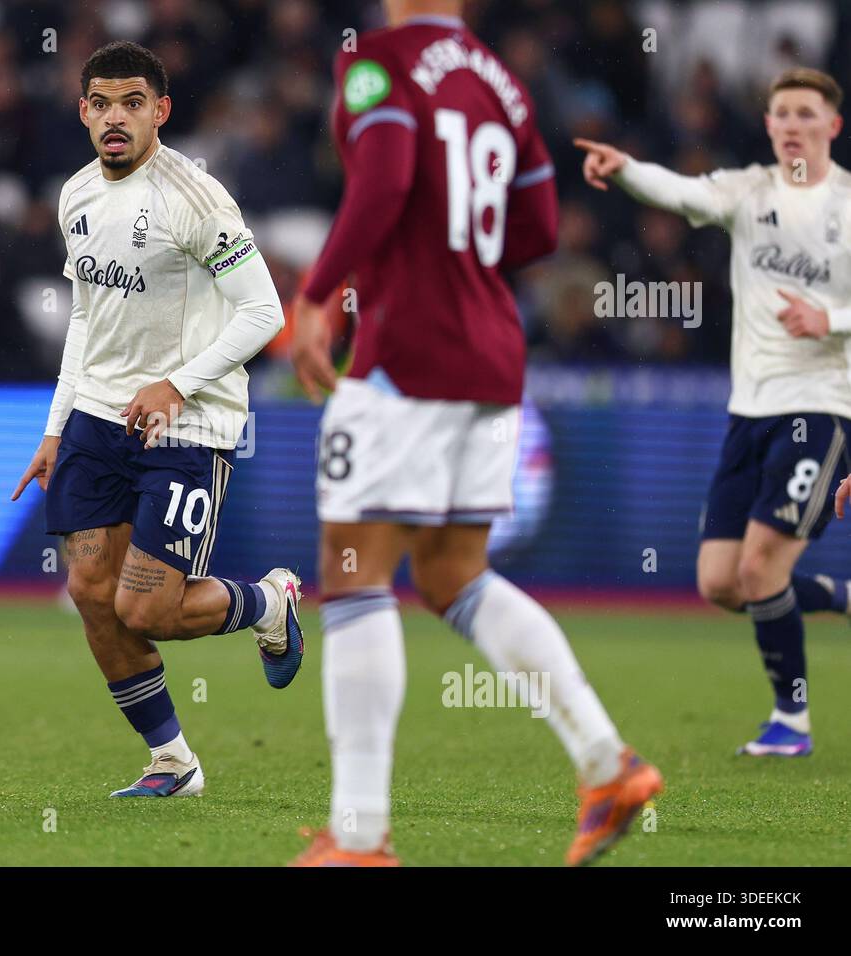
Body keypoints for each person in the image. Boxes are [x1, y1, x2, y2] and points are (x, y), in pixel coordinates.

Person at [289, 0, 662, 866]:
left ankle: (358, 839)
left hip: (406, 352)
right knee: (455, 573)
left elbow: (381, 184)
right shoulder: (505, 84)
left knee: (353, 574)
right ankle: (606, 764)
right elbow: (533, 228)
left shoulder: (377, 64)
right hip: (491, 351)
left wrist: (317, 293)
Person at [12, 41, 303, 799]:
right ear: (83, 112)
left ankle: (270, 602)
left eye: (132, 103)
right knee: (89, 590)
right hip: (96, 419)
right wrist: (55, 425)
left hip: (187, 421)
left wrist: (177, 384)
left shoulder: (196, 198)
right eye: (102, 104)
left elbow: (265, 312)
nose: (116, 118)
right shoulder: (75, 195)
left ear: (160, 113)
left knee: (150, 607)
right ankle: (172, 761)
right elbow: (87, 315)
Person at [577, 67, 851, 758]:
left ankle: (791, 722)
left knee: (761, 572)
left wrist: (832, 317)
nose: (792, 123)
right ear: (767, 125)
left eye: (806, 113)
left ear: (832, 126)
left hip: (819, 408)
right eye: (781, 112)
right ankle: (841, 597)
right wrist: (627, 168)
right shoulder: (748, 190)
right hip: (746, 413)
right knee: (721, 584)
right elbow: (682, 192)